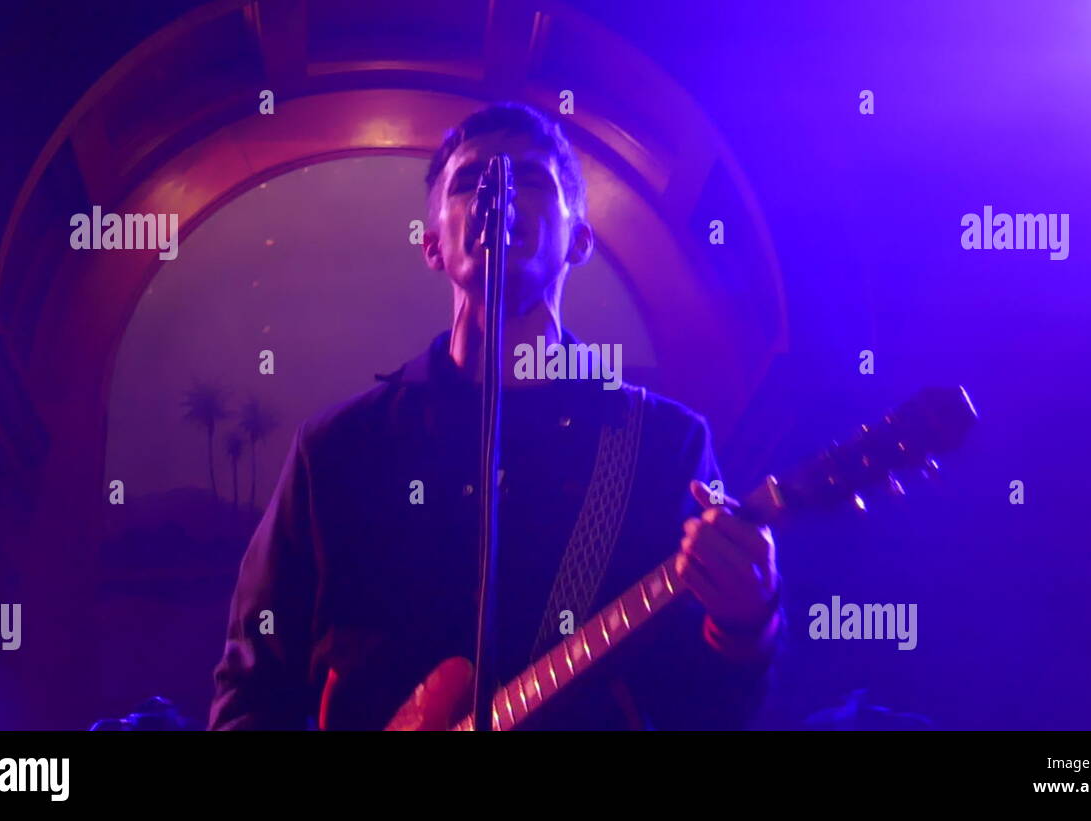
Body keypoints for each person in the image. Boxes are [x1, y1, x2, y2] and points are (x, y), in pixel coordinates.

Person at [208, 102, 783, 730]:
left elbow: (710, 709)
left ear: (580, 240)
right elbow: (252, 685)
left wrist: (747, 623)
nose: (497, 191)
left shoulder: (664, 447)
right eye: (469, 181)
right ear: (432, 245)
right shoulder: (337, 451)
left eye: (530, 179)